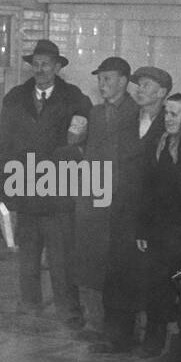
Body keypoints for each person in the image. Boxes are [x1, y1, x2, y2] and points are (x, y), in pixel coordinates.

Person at [0, 38, 92, 330]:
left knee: (62, 257)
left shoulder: (75, 99)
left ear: (58, 67)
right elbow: (4, 146)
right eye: (36, 64)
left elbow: (84, 141)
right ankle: (29, 304)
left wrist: (66, 157)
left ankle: (69, 311)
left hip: (59, 191)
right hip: (24, 191)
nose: (40, 69)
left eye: (46, 64)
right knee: (28, 255)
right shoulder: (15, 98)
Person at [90, 66, 170, 354]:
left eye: (146, 85)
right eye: (138, 84)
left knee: (153, 278)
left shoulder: (169, 124)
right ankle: (116, 335)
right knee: (118, 274)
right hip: (123, 211)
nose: (139, 89)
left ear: (162, 92)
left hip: (153, 213)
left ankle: (153, 340)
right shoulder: (127, 123)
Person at [71, 57, 141, 346]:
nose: (102, 84)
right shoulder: (95, 113)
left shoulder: (137, 114)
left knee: (119, 265)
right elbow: (88, 154)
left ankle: (123, 328)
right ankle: (93, 322)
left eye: (108, 79)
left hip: (122, 199)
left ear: (124, 81)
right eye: (100, 79)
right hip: (94, 197)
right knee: (89, 259)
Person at [136, 94, 181, 362]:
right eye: (166, 113)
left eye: (175, 114)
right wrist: (143, 228)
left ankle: (180, 348)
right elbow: (148, 189)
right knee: (156, 288)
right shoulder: (161, 144)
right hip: (158, 231)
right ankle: (154, 342)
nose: (168, 119)